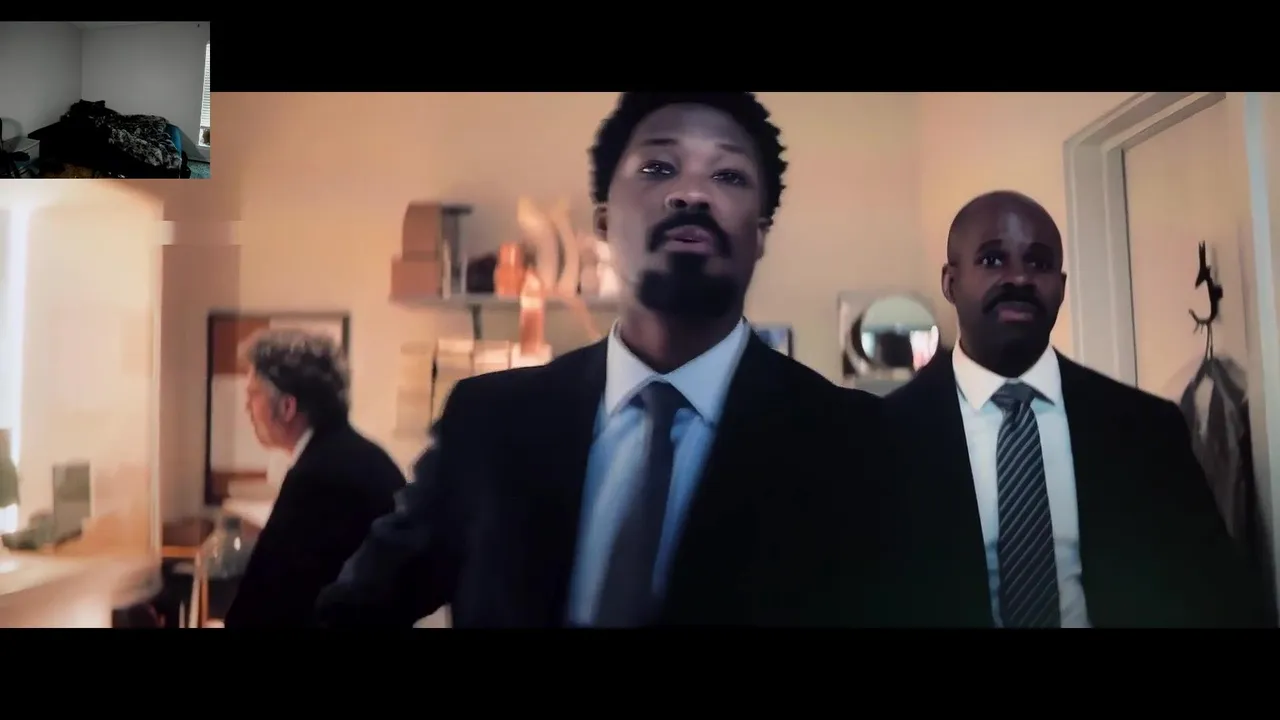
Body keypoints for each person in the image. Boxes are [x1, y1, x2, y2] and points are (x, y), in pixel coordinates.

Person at [316, 92, 890, 628]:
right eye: (658, 167)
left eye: (728, 175)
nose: (691, 194)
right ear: (604, 221)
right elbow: (354, 612)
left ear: (761, 234)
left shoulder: (851, 442)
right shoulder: (489, 423)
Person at [882, 189, 1269, 628]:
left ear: (1061, 287)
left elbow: (1213, 589)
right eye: (992, 260)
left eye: (1039, 263)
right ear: (950, 283)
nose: (1019, 278)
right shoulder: (886, 436)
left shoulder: (1146, 428)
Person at [222, 329, 405, 628]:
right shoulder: (368, 457)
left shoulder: (316, 478)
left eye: (253, 394)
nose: (246, 407)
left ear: (287, 407)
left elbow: (263, 605)